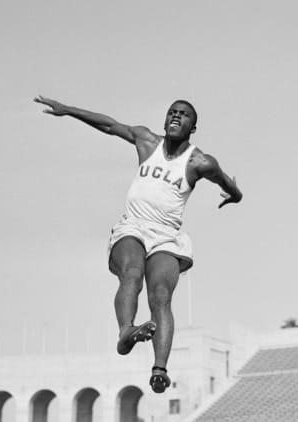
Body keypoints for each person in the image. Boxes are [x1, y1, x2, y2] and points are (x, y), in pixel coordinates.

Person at [34, 96, 244, 393]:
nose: (176, 116)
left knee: (161, 294)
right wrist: (69, 111)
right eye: (172, 112)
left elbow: (226, 182)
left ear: (193, 127)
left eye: (183, 115)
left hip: (167, 236)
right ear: (164, 119)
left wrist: (234, 195)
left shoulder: (200, 162)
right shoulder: (147, 141)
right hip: (132, 226)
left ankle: (159, 369)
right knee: (132, 273)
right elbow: (109, 125)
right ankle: (125, 332)